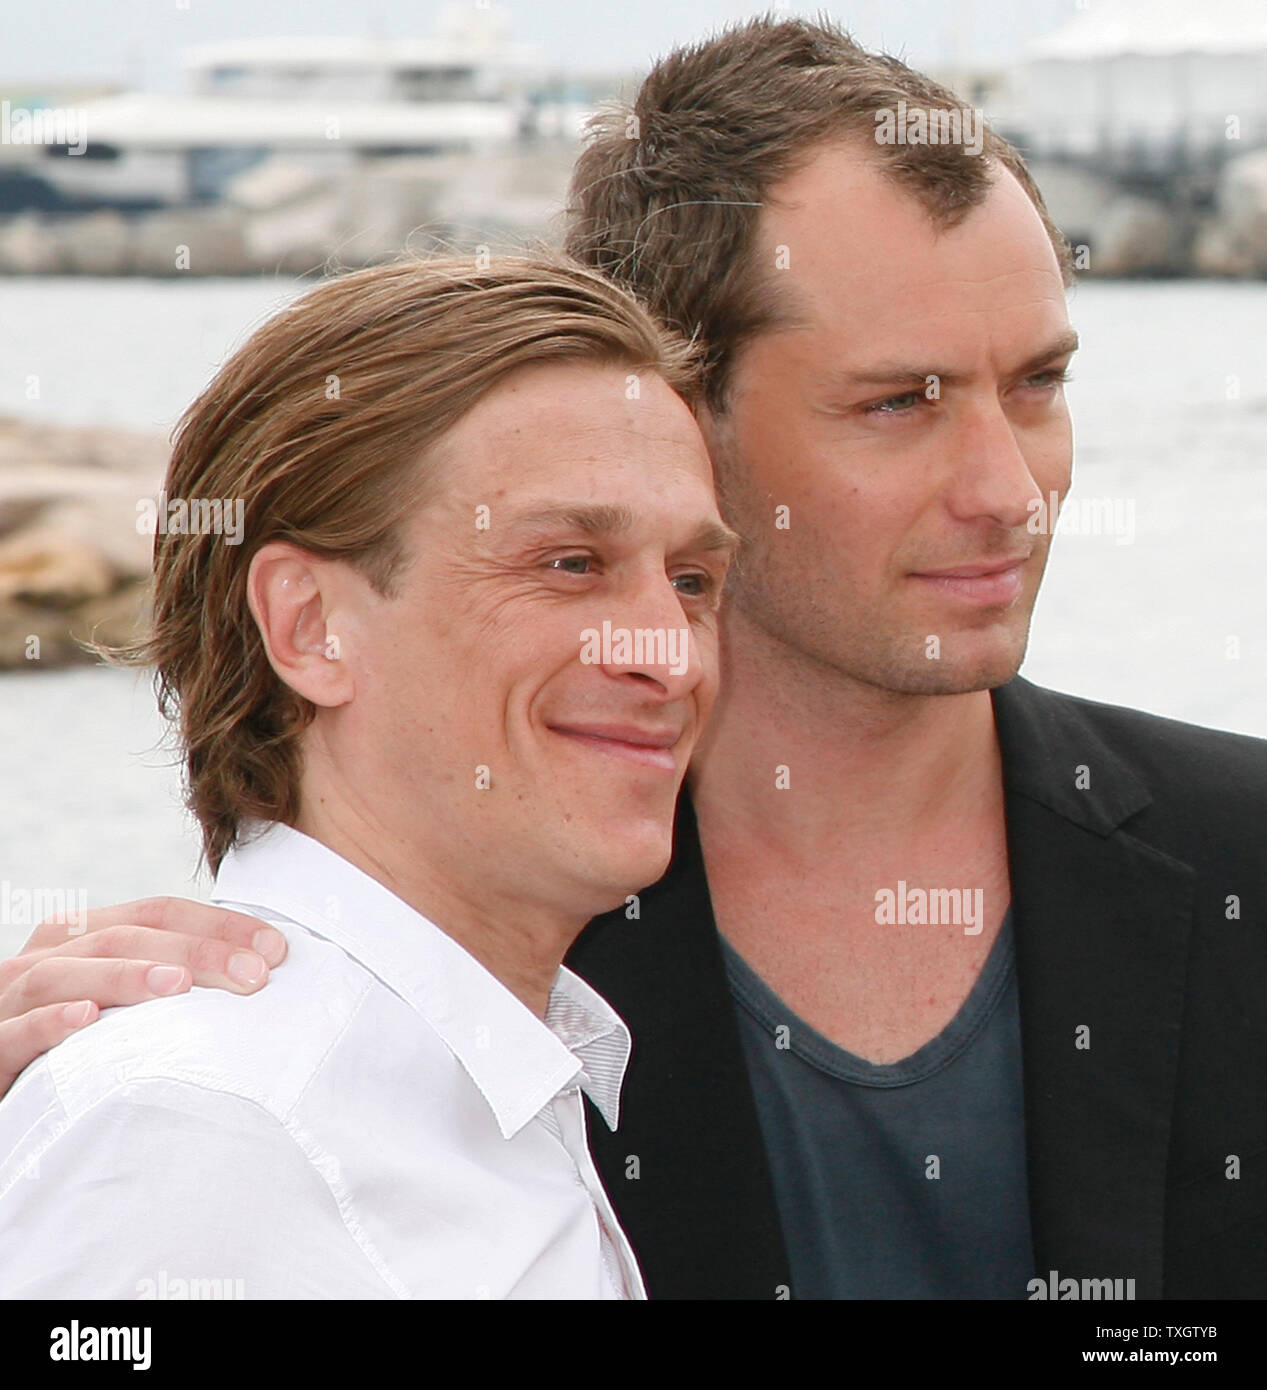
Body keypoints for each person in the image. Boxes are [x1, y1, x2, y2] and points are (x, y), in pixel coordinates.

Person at [4, 17, 1265, 1299]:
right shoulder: (455, 937)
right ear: (673, 411)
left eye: (1041, 382)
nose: (1010, 489)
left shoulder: (1242, 859)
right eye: (899, 401)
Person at [0, 253, 739, 1298]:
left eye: (694, 581)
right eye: (569, 563)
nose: (672, 655)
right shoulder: (203, 1135)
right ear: (309, 624)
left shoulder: (461, 1092)